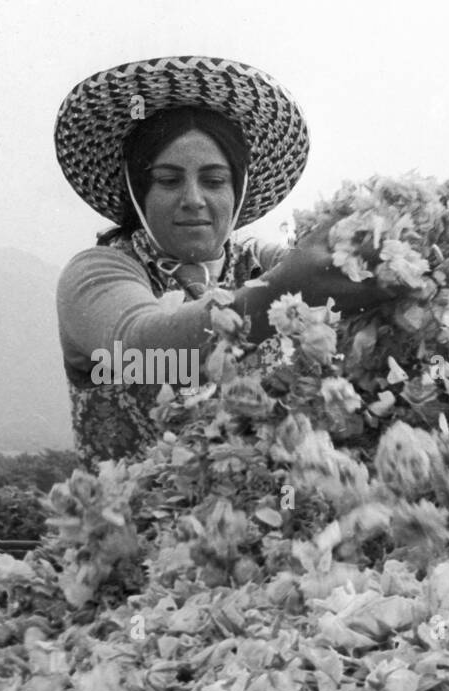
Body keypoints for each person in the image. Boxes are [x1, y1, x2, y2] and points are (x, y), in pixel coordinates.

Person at [54, 56, 382, 469]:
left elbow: (345, 283)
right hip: (130, 524)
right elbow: (140, 345)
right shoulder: (98, 272)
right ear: (139, 191)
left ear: (238, 190)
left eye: (213, 181)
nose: (193, 199)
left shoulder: (262, 265)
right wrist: (284, 291)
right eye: (169, 180)